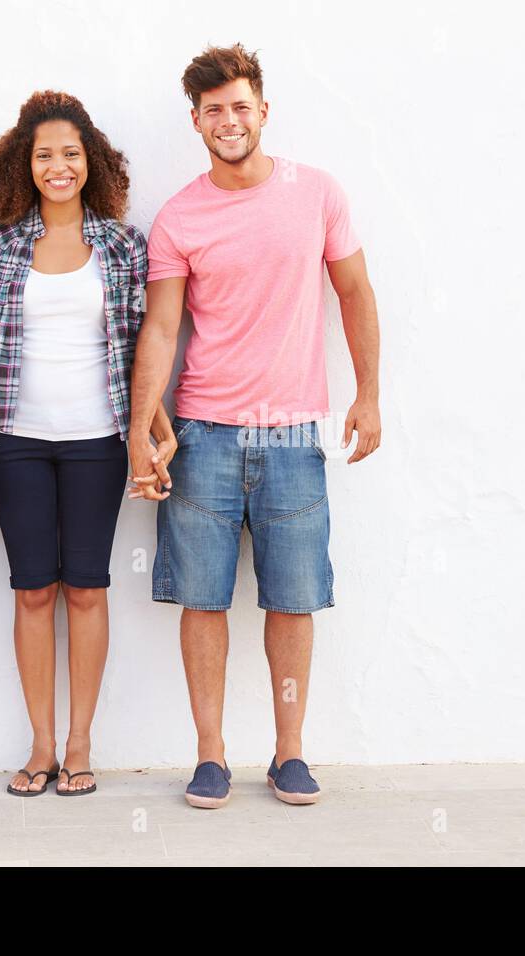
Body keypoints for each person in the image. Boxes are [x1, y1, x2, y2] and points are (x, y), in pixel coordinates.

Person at [129, 44, 382, 808]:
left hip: (293, 436)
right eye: (213, 110)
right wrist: (144, 421)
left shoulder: (318, 194)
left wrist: (369, 394)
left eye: (241, 106)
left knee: (293, 597)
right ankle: (211, 757)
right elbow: (163, 329)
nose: (229, 120)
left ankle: (290, 753)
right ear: (196, 122)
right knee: (203, 600)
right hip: (203, 431)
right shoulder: (179, 215)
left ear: (263, 111)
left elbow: (356, 293)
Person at [0, 91, 176, 796]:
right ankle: (40, 745)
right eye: (44, 154)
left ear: (92, 163)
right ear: (26, 163)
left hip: (98, 440)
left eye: (70, 154)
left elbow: (144, 342)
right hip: (17, 440)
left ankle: (81, 743)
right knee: (31, 591)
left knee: (86, 588)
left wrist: (152, 426)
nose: (58, 165)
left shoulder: (121, 243)